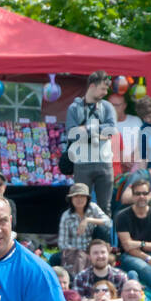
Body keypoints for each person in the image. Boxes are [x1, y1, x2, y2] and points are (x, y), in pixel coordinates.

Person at [61, 71, 117, 209]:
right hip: (82, 163)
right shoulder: (74, 108)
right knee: (80, 206)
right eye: (103, 88)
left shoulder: (107, 107)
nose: (105, 92)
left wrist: (86, 129)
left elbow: (112, 130)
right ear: (92, 86)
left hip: (104, 163)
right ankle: (82, 230)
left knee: (105, 206)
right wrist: (98, 132)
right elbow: (72, 133)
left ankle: (103, 231)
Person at [114, 177, 151, 295]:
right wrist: (147, 258)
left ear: (150, 195)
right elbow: (127, 246)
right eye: (138, 194)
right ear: (132, 196)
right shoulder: (122, 216)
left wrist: (138, 244)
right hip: (127, 256)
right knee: (146, 269)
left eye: (145, 193)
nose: (141, 196)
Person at [57, 183, 111, 275]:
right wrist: (78, 252)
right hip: (74, 251)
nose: (79, 199)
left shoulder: (93, 207)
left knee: (102, 229)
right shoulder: (66, 216)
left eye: (82, 196)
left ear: (87, 198)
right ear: (71, 199)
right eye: (76, 197)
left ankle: (103, 253)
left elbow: (108, 222)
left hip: (93, 248)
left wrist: (88, 220)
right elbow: (62, 243)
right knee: (55, 258)